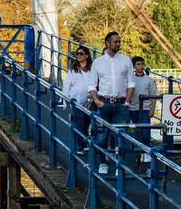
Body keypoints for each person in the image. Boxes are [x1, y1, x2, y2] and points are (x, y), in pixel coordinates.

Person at [90, 31, 135, 174]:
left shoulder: (126, 60)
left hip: (121, 104)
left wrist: (127, 102)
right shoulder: (98, 62)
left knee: (120, 135)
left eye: (119, 42)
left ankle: (119, 165)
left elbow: (131, 83)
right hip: (104, 103)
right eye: (115, 42)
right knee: (102, 135)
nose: (118, 44)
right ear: (107, 43)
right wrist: (97, 101)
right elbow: (92, 84)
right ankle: (102, 163)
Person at [62, 47, 96, 152]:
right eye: (77, 54)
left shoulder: (92, 70)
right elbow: (67, 84)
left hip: (88, 101)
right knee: (79, 124)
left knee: (86, 123)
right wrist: (64, 99)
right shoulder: (73, 70)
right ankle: (80, 146)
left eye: (81, 53)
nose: (79, 56)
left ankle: (84, 143)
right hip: (76, 101)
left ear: (87, 55)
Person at [130, 56, 160, 163]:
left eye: (142, 64)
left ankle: (146, 151)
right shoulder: (130, 79)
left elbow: (153, 95)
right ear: (134, 66)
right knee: (137, 130)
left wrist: (152, 109)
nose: (141, 66)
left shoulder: (149, 80)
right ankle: (138, 152)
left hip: (145, 108)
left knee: (146, 131)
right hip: (133, 108)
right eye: (138, 64)